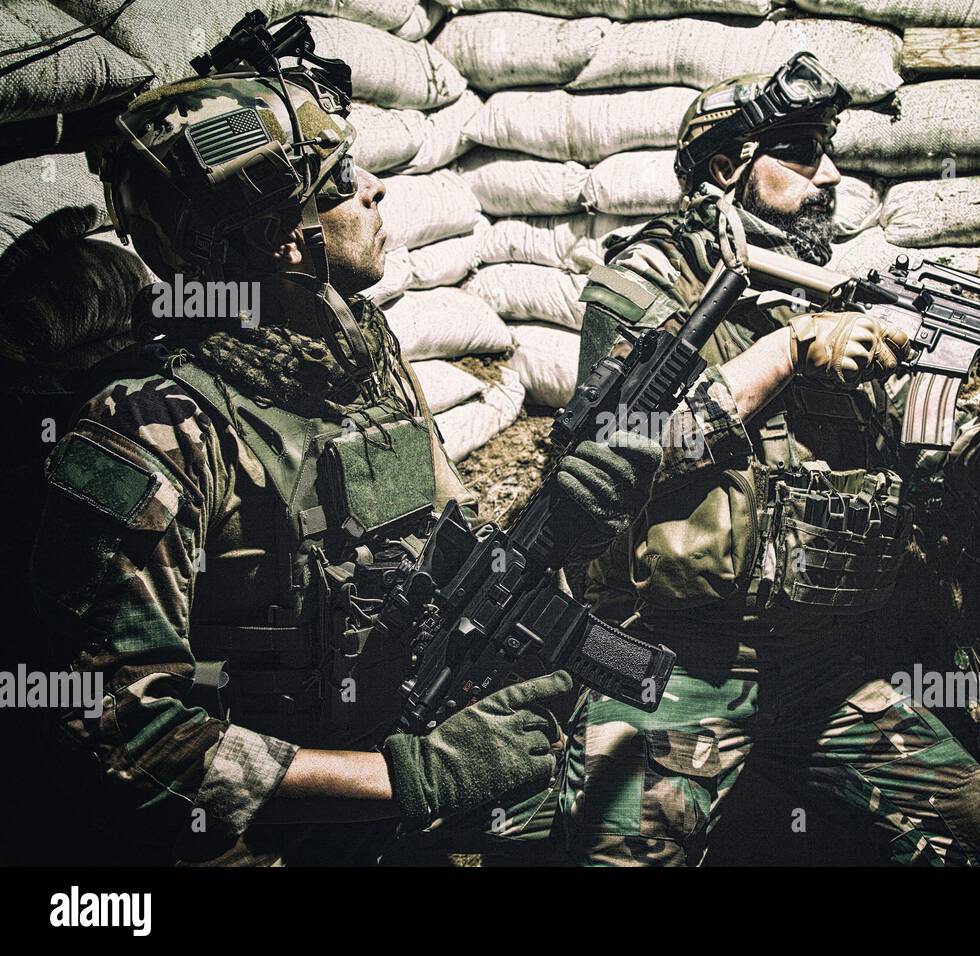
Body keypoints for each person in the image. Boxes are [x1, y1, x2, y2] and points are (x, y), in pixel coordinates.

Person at [27, 42, 662, 865]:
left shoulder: (359, 351)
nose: (375, 188)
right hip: (278, 836)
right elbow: (122, 728)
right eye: (338, 182)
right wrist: (406, 779)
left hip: (403, 764)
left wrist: (565, 524)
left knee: (633, 799)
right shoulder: (155, 424)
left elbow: (443, 548)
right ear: (284, 240)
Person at [559, 54, 980, 866]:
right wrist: (787, 353)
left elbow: (912, 475)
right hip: (674, 662)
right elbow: (608, 462)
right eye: (801, 152)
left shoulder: (827, 297)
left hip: (823, 667)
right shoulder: (642, 291)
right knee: (619, 856)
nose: (830, 174)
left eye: (830, 149)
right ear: (727, 167)